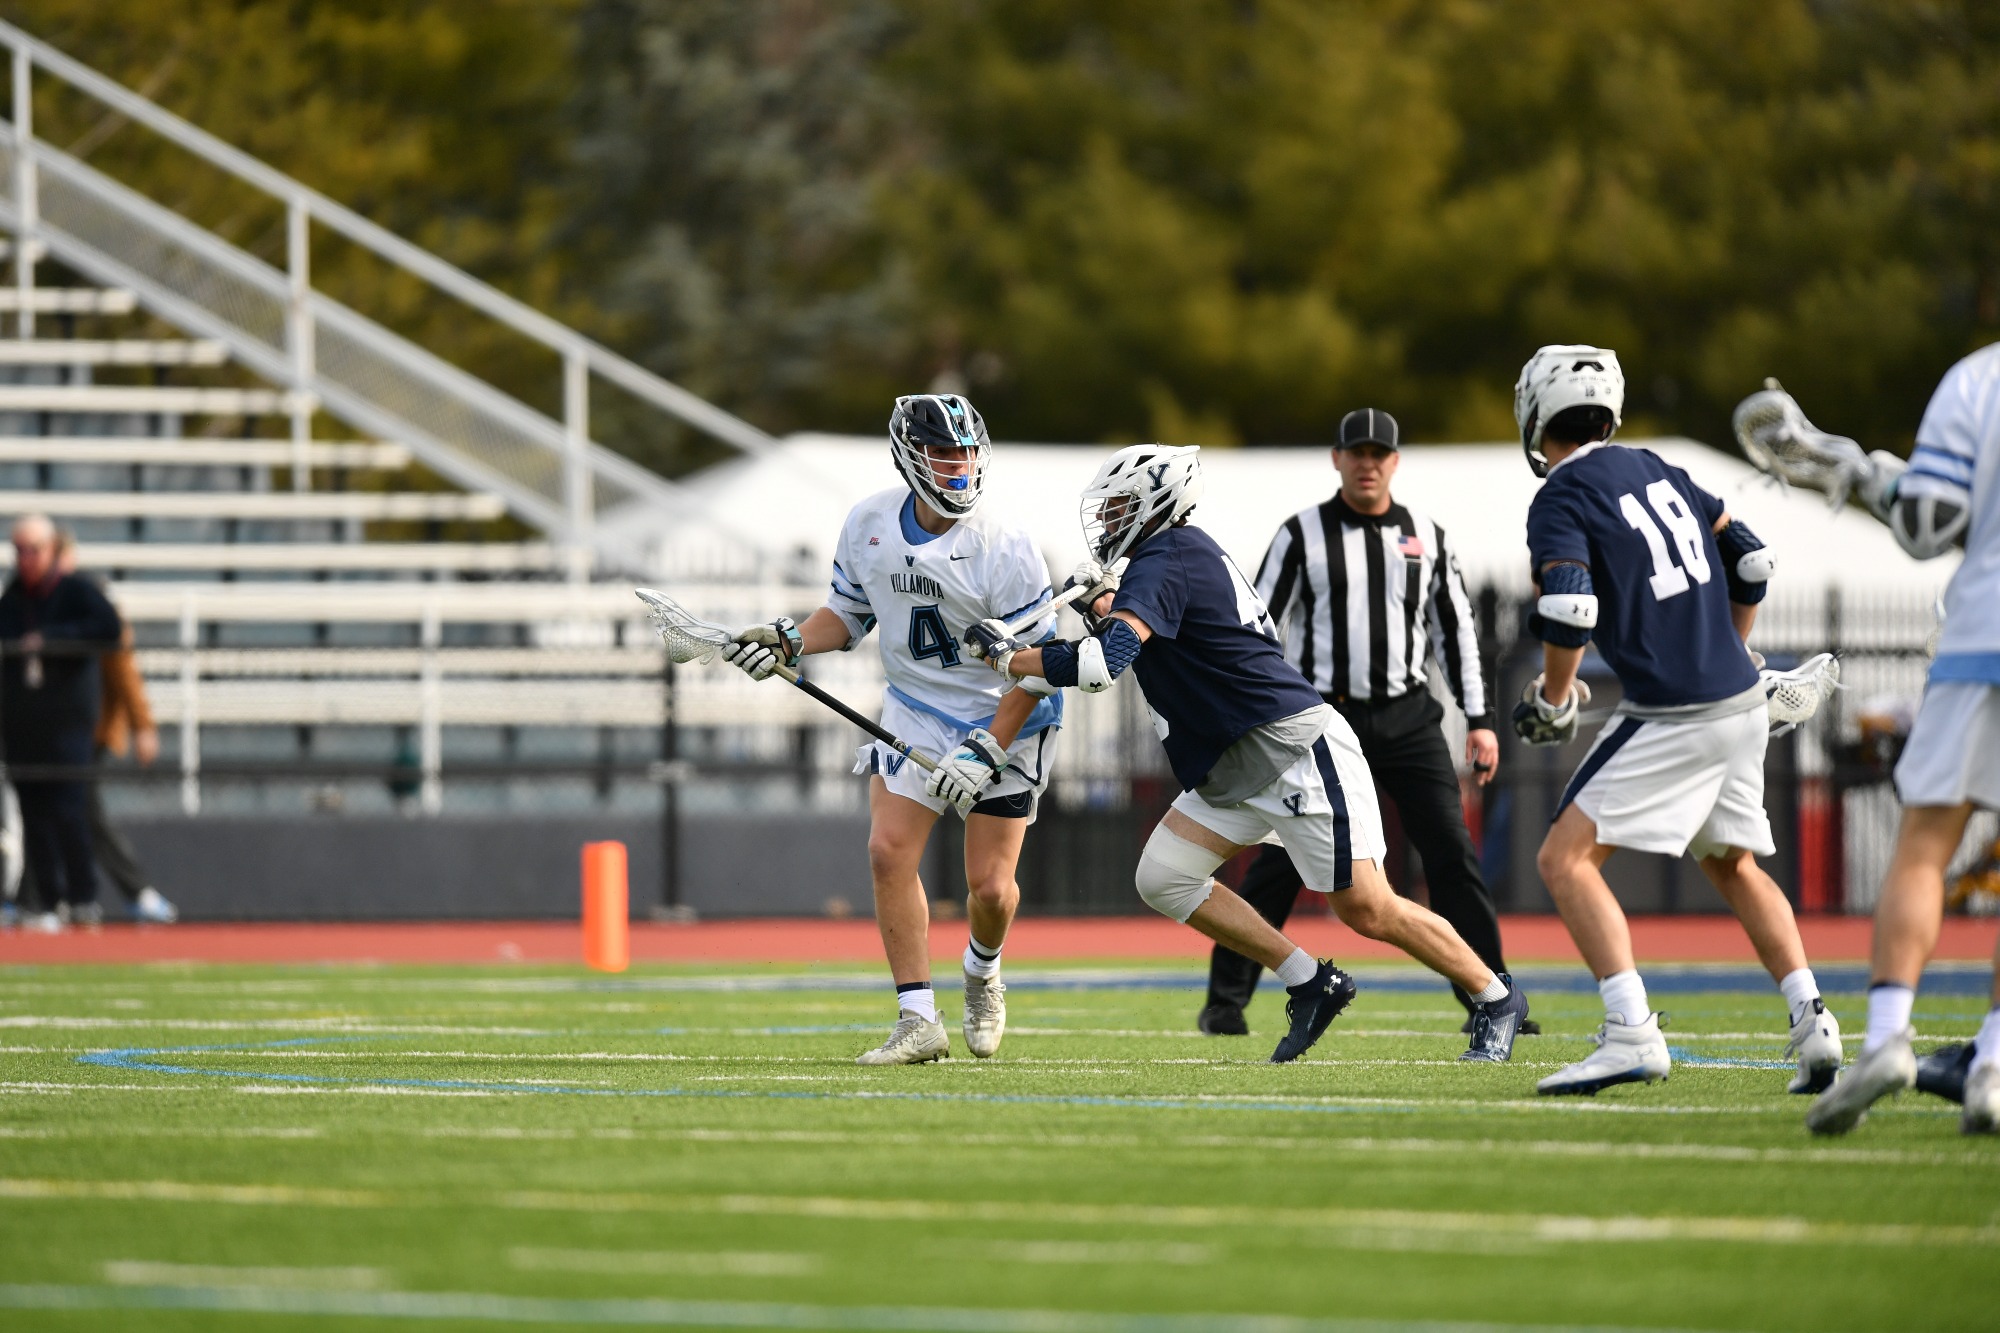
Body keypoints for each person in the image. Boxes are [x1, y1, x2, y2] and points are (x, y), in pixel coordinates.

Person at [971, 443, 1531, 1065]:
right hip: (1235, 765)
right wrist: (1101, 610)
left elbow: (1103, 666)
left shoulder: (1165, 556)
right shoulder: (1169, 558)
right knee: (1164, 877)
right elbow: (1153, 640)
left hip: (1289, 746)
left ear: (1158, 502)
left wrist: (1005, 655)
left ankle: (1495, 996)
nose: (1108, 518)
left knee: (1369, 907)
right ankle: (1310, 981)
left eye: (1122, 503)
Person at [1511, 345, 1841, 1096]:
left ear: (1537, 413)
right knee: (1731, 864)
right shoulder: (1662, 468)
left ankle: (1630, 1030)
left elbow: (1568, 605)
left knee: (1563, 862)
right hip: (1738, 699)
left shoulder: (1561, 496)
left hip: (1675, 707)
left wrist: (1555, 699)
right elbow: (1751, 562)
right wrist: (1732, 650)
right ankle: (1814, 1022)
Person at [720, 394, 1068, 1065]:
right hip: (914, 706)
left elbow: (1038, 669)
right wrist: (787, 639)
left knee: (990, 889)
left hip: (1004, 713)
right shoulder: (870, 522)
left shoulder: (1006, 545)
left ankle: (983, 970)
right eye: (945, 452)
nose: (960, 466)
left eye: (966, 452)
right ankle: (917, 1018)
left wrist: (989, 744)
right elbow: (846, 618)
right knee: (887, 849)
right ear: (911, 454)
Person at [1198, 407, 1533, 1038]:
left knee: (1450, 852)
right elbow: (1257, 622)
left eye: (1380, 453)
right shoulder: (1301, 534)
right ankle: (1226, 999)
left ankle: (1492, 996)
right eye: (1357, 452)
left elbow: (1454, 631)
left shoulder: (1427, 536)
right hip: (1322, 719)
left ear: (1396, 462)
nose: (1368, 463)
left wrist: (1481, 721)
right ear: (1337, 458)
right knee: (1279, 854)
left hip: (1409, 717)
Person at [1786, 343, 2000, 1135]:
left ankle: (1885, 1040)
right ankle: (1994, 1068)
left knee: (1924, 846)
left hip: (1984, 630)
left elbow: (1929, 522)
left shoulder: (1978, 379)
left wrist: (1871, 476)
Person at [0, 514, 122, 932]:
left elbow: (110, 630)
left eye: (33, 550)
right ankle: (44, 900)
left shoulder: (76, 591)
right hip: (23, 722)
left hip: (68, 720)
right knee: (33, 813)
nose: (26, 559)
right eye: (19, 551)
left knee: (70, 810)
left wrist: (53, 641)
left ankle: (83, 897)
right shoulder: (14, 597)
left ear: (52, 550)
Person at [54, 530, 177, 923]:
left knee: (82, 809)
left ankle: (134, 890)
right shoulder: (33, 603)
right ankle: (41, 898)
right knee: (49, 810)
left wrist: (143, 725)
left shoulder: (90, 599)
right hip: (51, 729)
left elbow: (123, 669)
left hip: (87, 729)